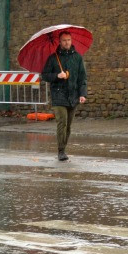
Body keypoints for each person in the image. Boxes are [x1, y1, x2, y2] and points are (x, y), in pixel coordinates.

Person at [40, 31, 87, 161]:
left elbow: (82, 78)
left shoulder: (77, 58)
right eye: (64, 40)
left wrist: (82, 94)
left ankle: (64, 148)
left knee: (69, 125)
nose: (67, 42)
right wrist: (57, 76)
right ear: (59, 42)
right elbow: (44, 75)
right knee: (62, 123)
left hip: (73, 96)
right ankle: (61, 151)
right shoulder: (53, 58)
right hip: (58, 95)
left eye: (69, 40)